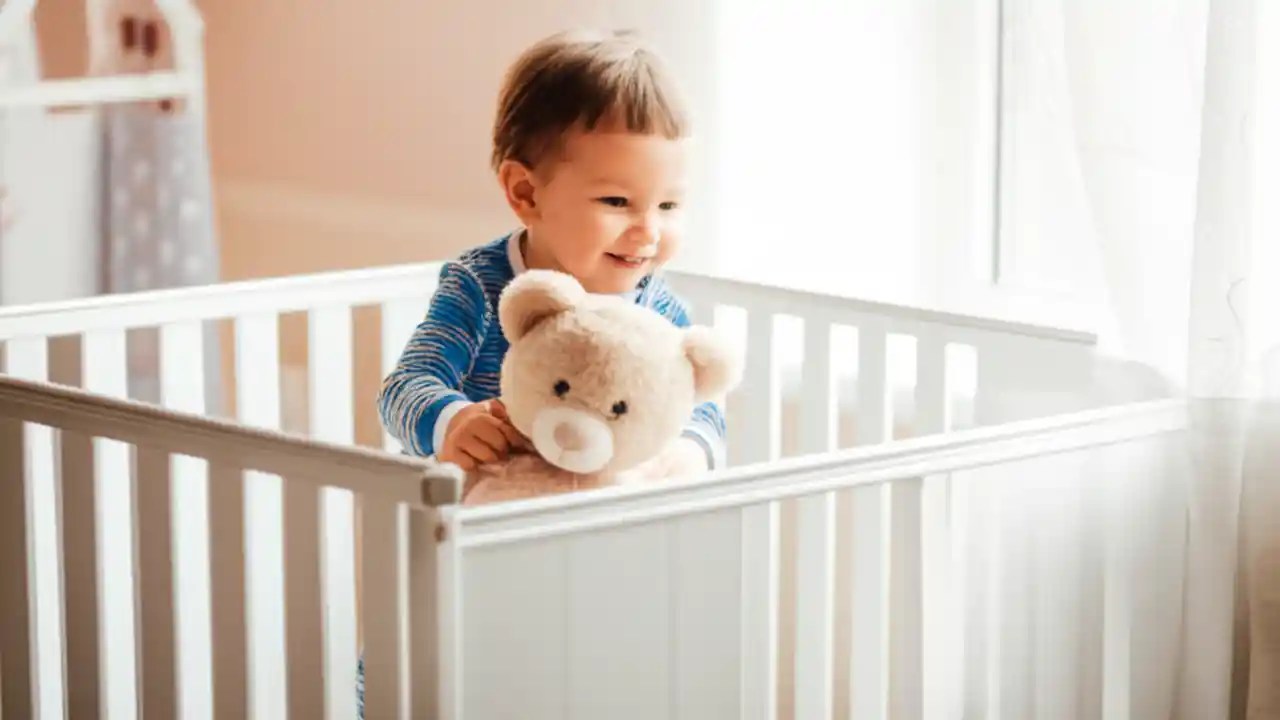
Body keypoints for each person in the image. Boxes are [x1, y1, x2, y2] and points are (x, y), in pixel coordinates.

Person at [377, 28, 728, 478]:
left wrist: (689, 453)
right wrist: (452, 421)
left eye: (667, 206)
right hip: (488, 512)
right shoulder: (480, 287)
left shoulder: (655, 308)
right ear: (527, 193)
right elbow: (403, 388)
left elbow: (702, 401)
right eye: (616, 202)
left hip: (594, 522)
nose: (648, 231)